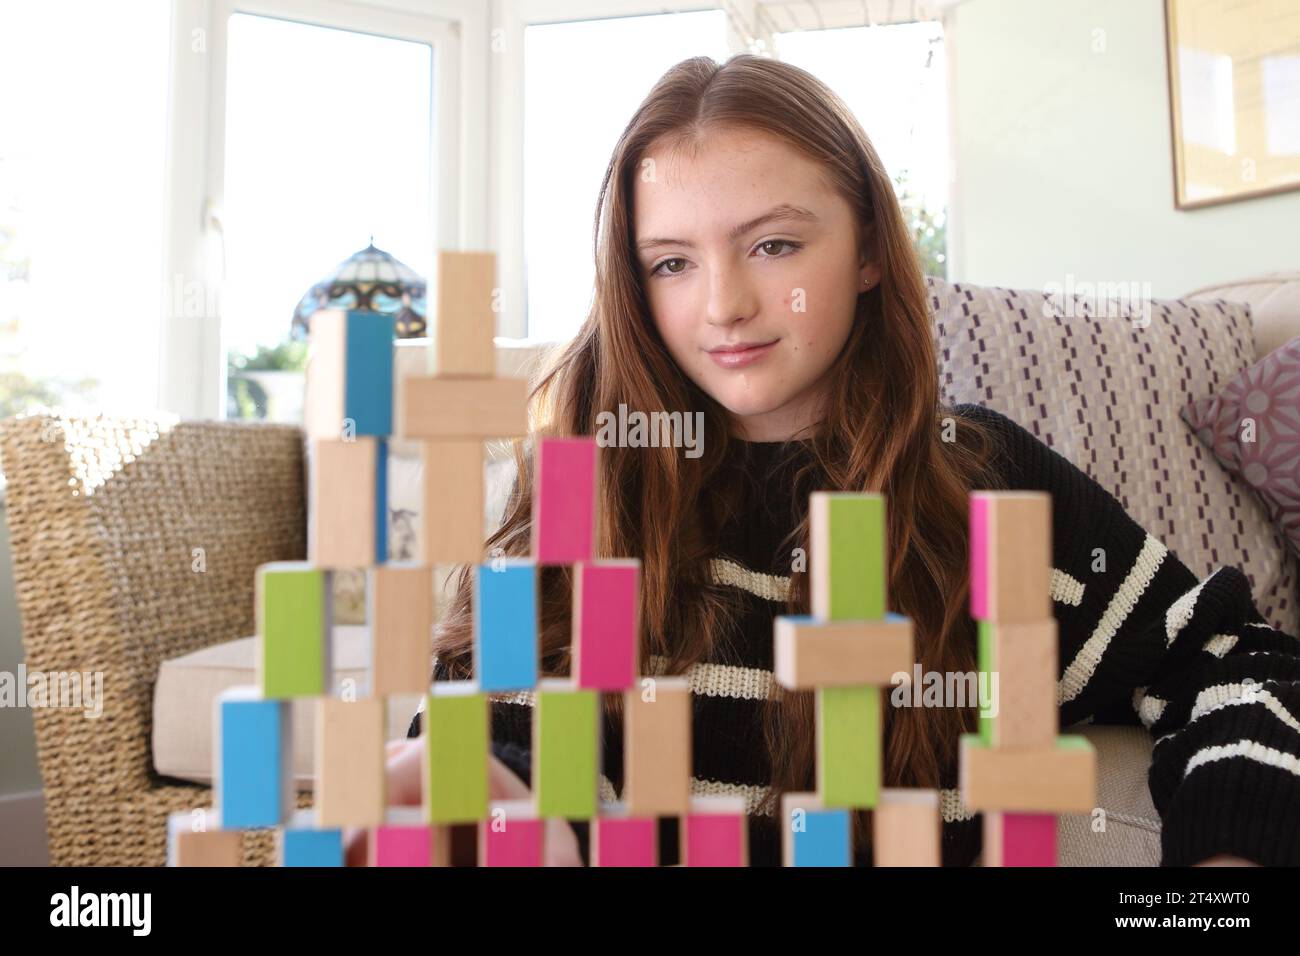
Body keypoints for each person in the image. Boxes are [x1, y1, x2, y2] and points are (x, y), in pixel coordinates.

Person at [378, 54, 1299, 867]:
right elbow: (500, 717)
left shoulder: (984, 481)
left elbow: (1237, 663)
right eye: (671, 263)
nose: (724, 304)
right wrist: (474, 782)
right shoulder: (584, 477)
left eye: (774, 245)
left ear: (864, 248)